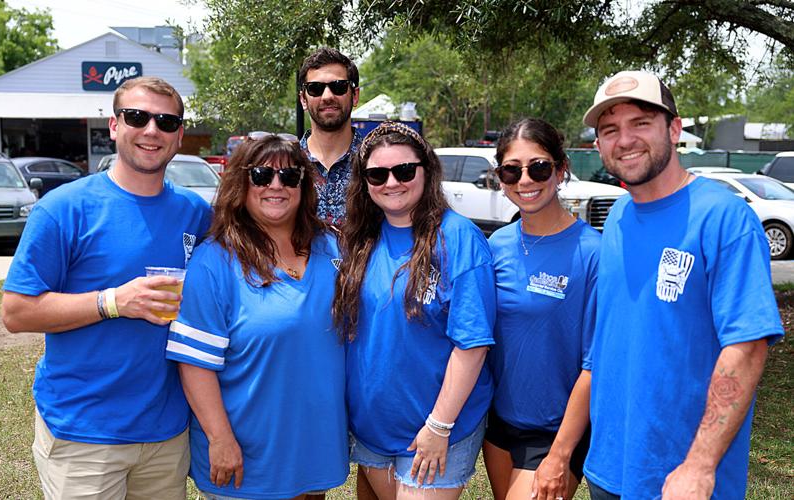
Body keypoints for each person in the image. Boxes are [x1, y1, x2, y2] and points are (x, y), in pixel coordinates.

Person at [1, 76, 211, 499]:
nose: (152, 130)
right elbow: (16, 312)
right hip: (84, 432)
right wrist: (113, 301)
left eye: (167, 122)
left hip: (166, 434)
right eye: (137, 117)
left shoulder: (195, 212)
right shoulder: (63, 209)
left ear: (180, 135)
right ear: (114, 126)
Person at [581, 70, 784, 499]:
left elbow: (747, 347)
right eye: (610, 129)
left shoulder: (725, 218)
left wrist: (699, 465)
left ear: (674, 129)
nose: (625, 140)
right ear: (598, 144)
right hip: (608, 465)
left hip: (682, 478)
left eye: (640, 123)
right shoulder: (617, 217)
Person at [165, 135, 348, 499]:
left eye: (290, 177)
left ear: (304, 185)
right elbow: (195, 364)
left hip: (314, 444)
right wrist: (220, 439)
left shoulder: (331, 246)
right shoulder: (214, 261)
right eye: (262, 176)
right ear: (241, 184)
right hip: (246, 453)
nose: (276, 185)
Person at [333, 121, 496, 499]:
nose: (391, 182)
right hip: (373, 430)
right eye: (377, 174)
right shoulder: (360, 240)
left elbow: (472, 345)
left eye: (404, 170)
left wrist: (439, 427)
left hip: (437, 427)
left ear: (427, 171)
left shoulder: (458, 238)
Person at [483, 118, 598, 500]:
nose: (525, 180)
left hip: (557, 431)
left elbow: (594, 364)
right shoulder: (496, 245)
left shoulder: (592, 252)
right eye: (511, 170)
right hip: (498, 425)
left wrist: (561, 453)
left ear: (562, 169)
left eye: (539, 167)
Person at [298, 46, 363, 226]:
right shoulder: (287, 165)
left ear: (355, 96)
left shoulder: (377, 163)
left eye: (338, 87)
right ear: (303, 99)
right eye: (315, 89)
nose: (327, 96)